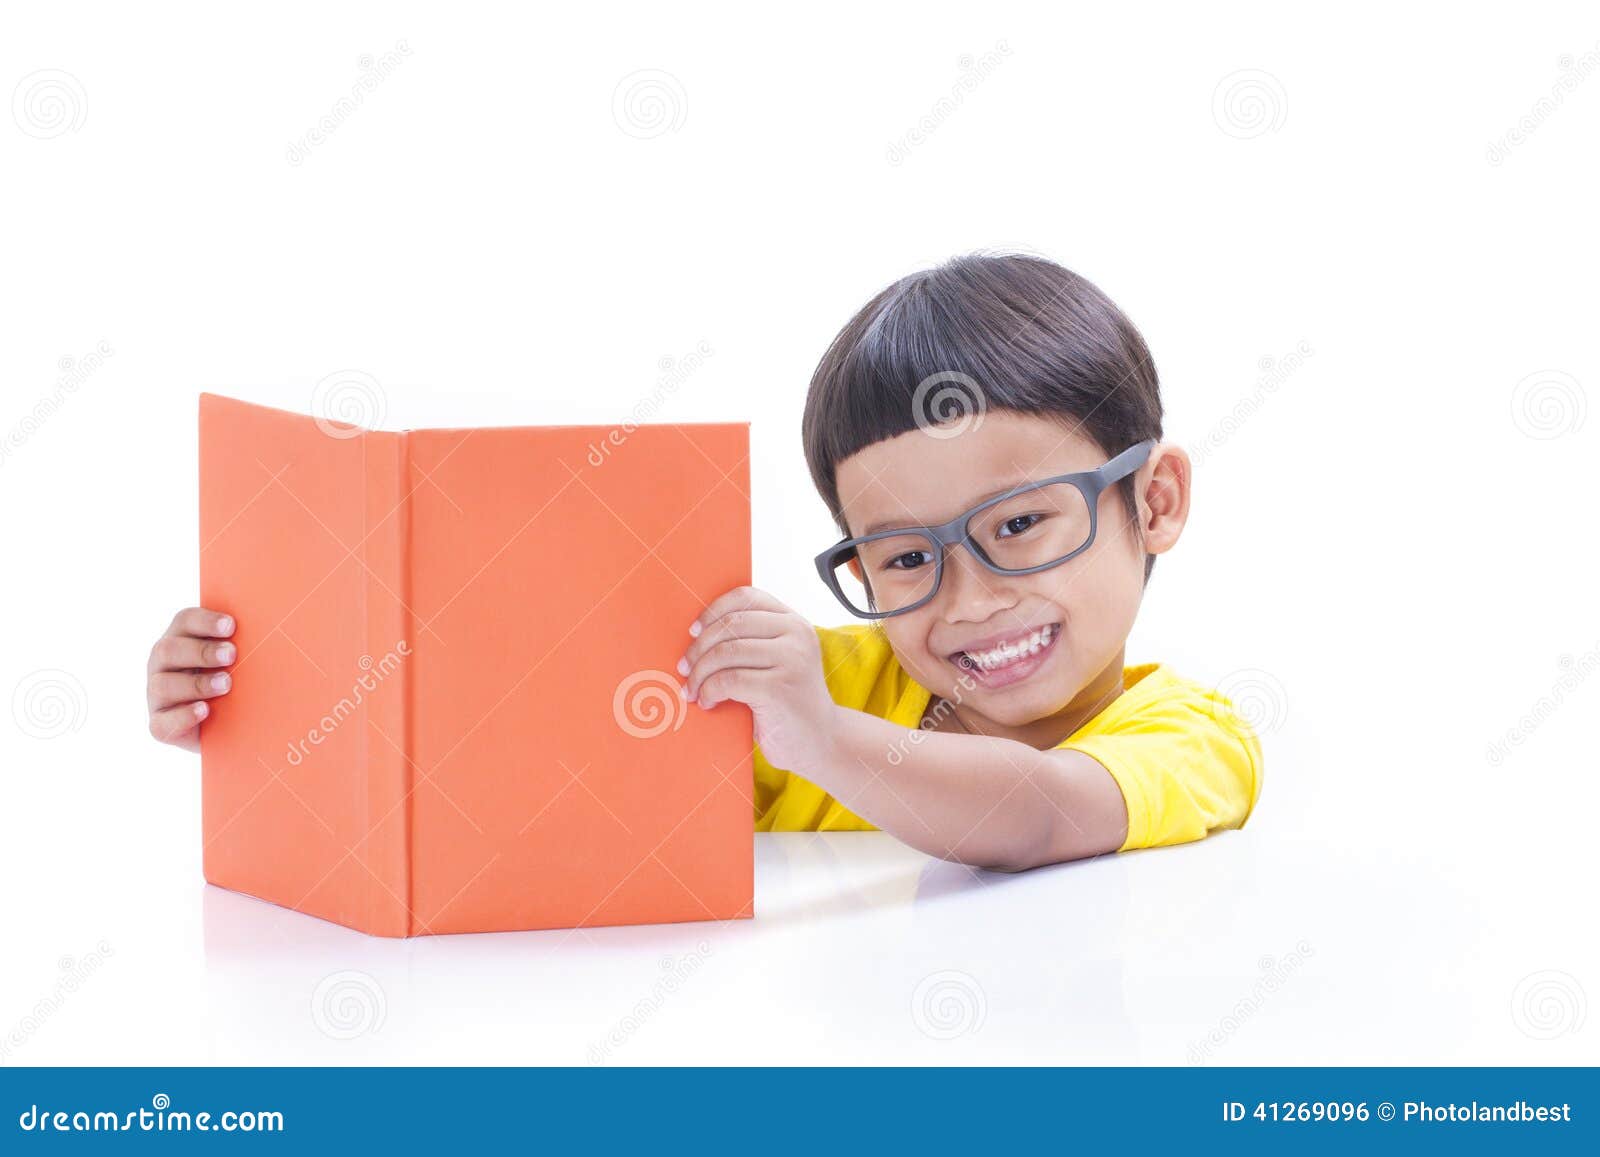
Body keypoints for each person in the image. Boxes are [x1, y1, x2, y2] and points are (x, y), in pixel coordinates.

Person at [148, 252, 1261, 871]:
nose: (970, 600)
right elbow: (538, 754)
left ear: (1154, 500)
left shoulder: (1190, 735)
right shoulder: (823, 683)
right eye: (904, 557)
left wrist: (822, 740)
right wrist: (279, 701)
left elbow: (1043, 815)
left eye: (1018, 525)